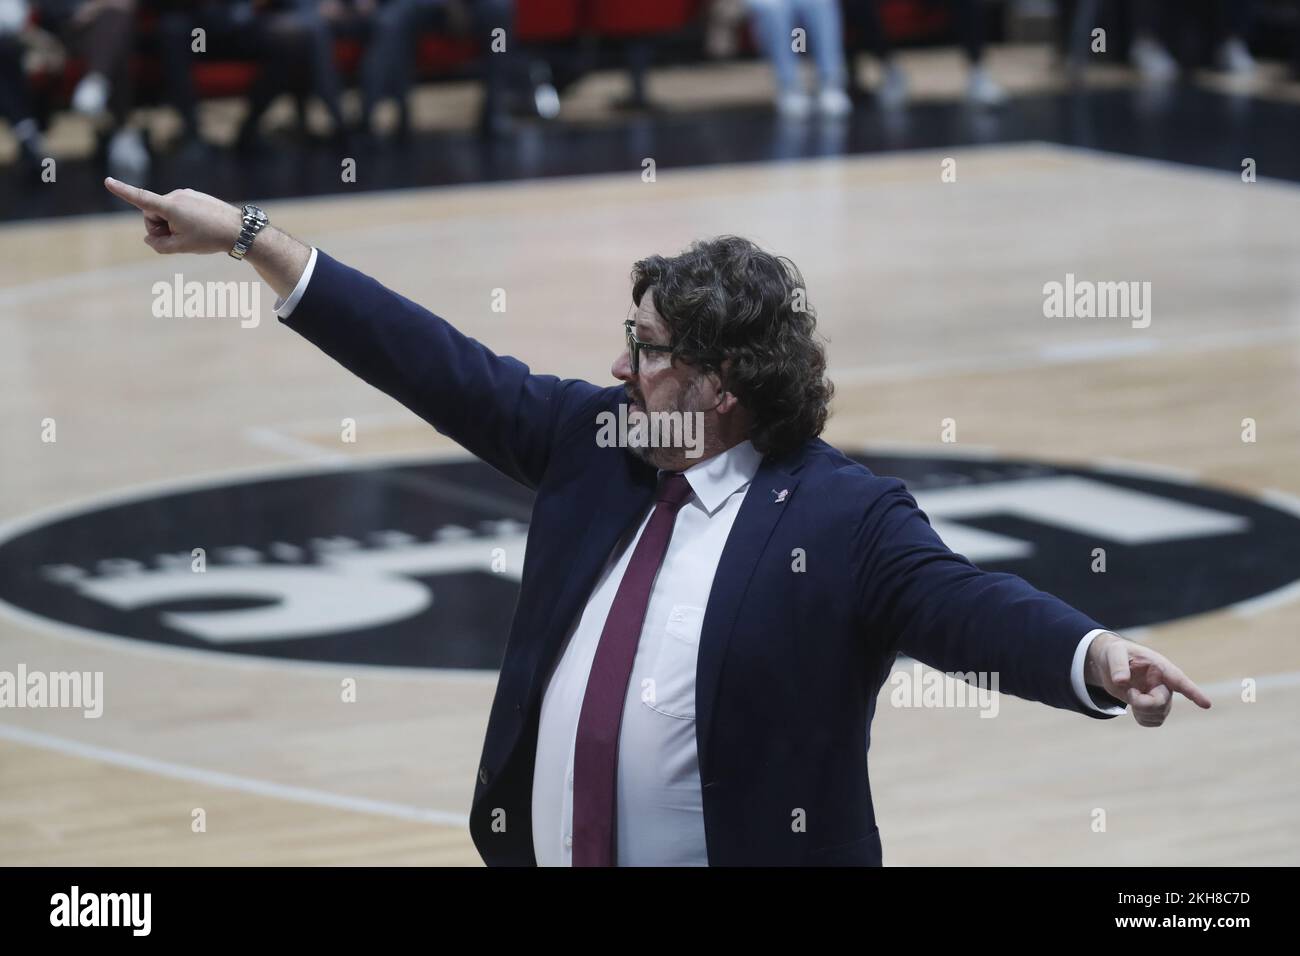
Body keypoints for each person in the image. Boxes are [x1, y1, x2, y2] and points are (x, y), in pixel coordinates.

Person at [101, 176, 1213, 867]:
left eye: (645, 349)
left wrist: (1092, 652)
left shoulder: (841, 514)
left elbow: (966, 606)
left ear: (721, 382)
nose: (617, 365)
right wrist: (249, 235)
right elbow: (430, 359)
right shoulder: (593, 441)